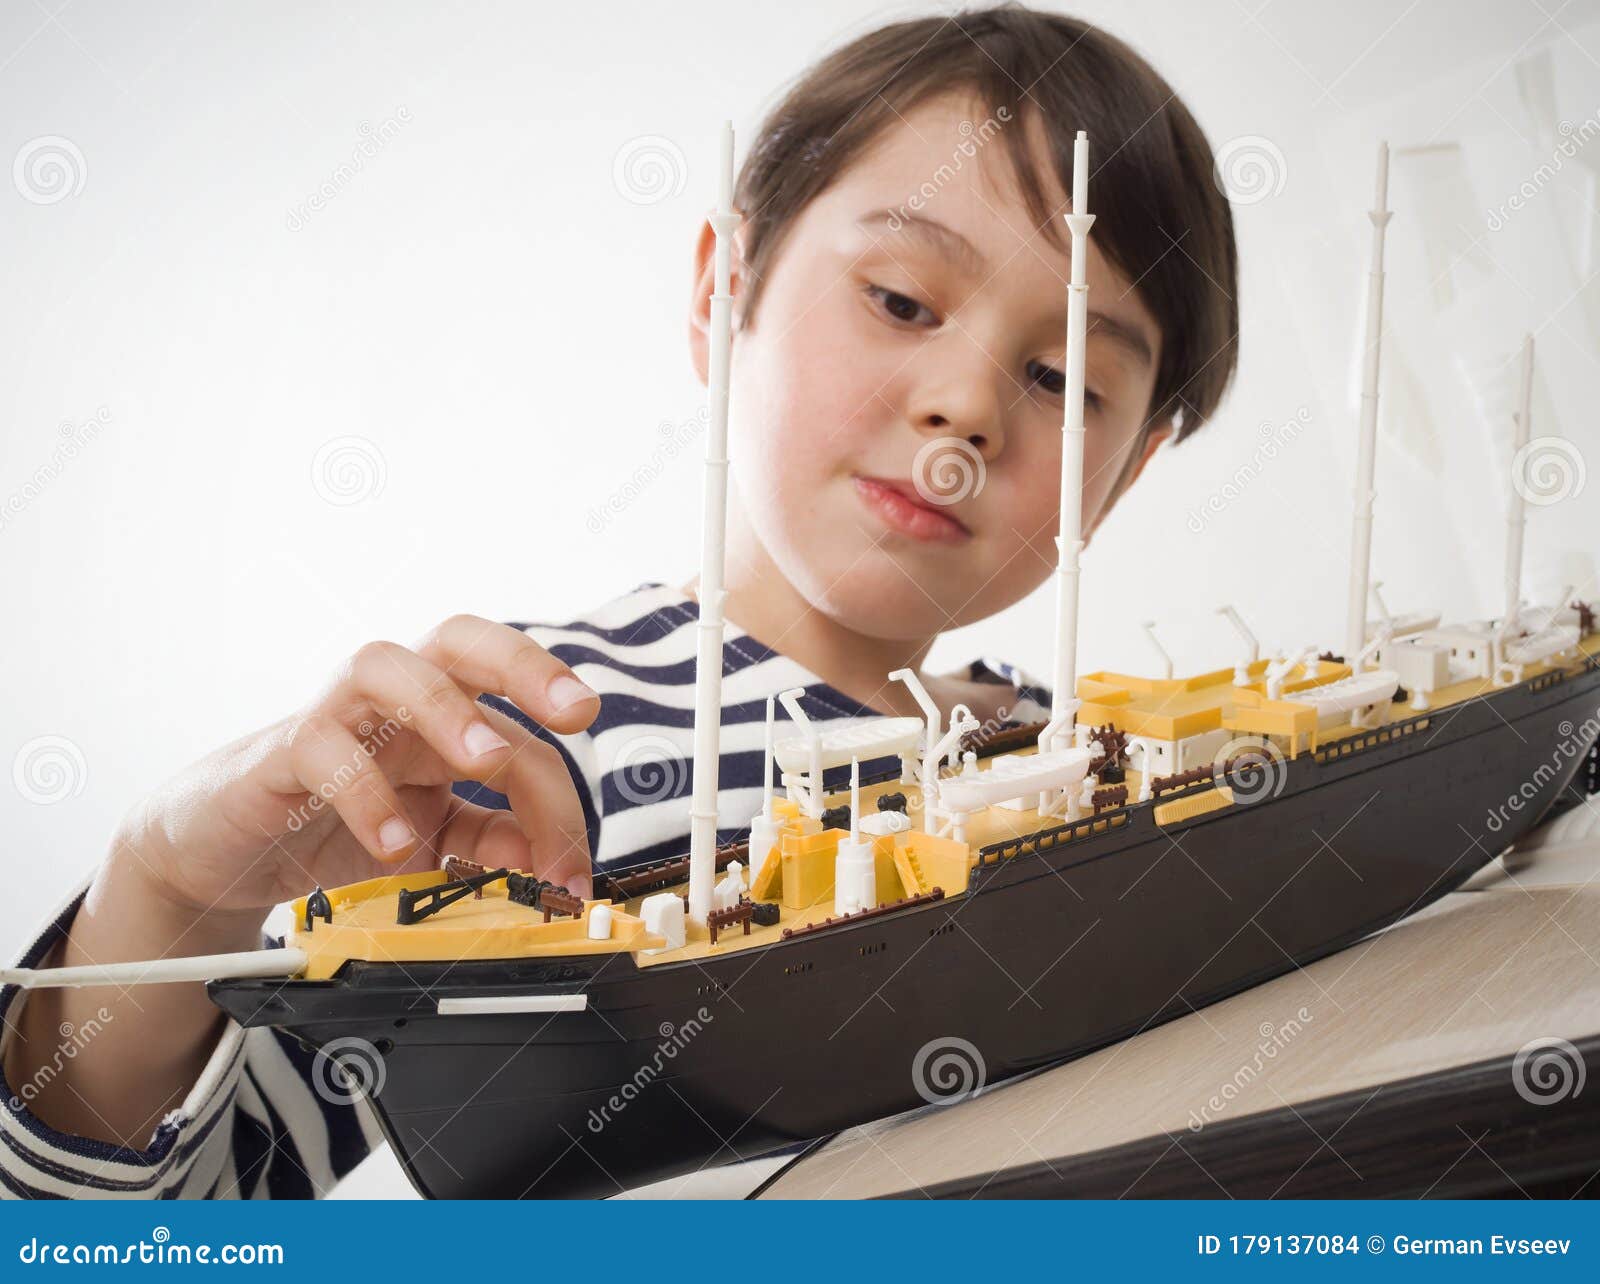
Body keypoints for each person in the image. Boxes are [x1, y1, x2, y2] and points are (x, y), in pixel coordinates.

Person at [0, 4, 1237, 1198]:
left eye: (1060, 376)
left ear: (1123, 474)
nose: (965, 405)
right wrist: (158, 901)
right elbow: (150, 1226)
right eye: (902, 301)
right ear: (723, 291)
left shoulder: (1081, 752)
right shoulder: (503, 752)